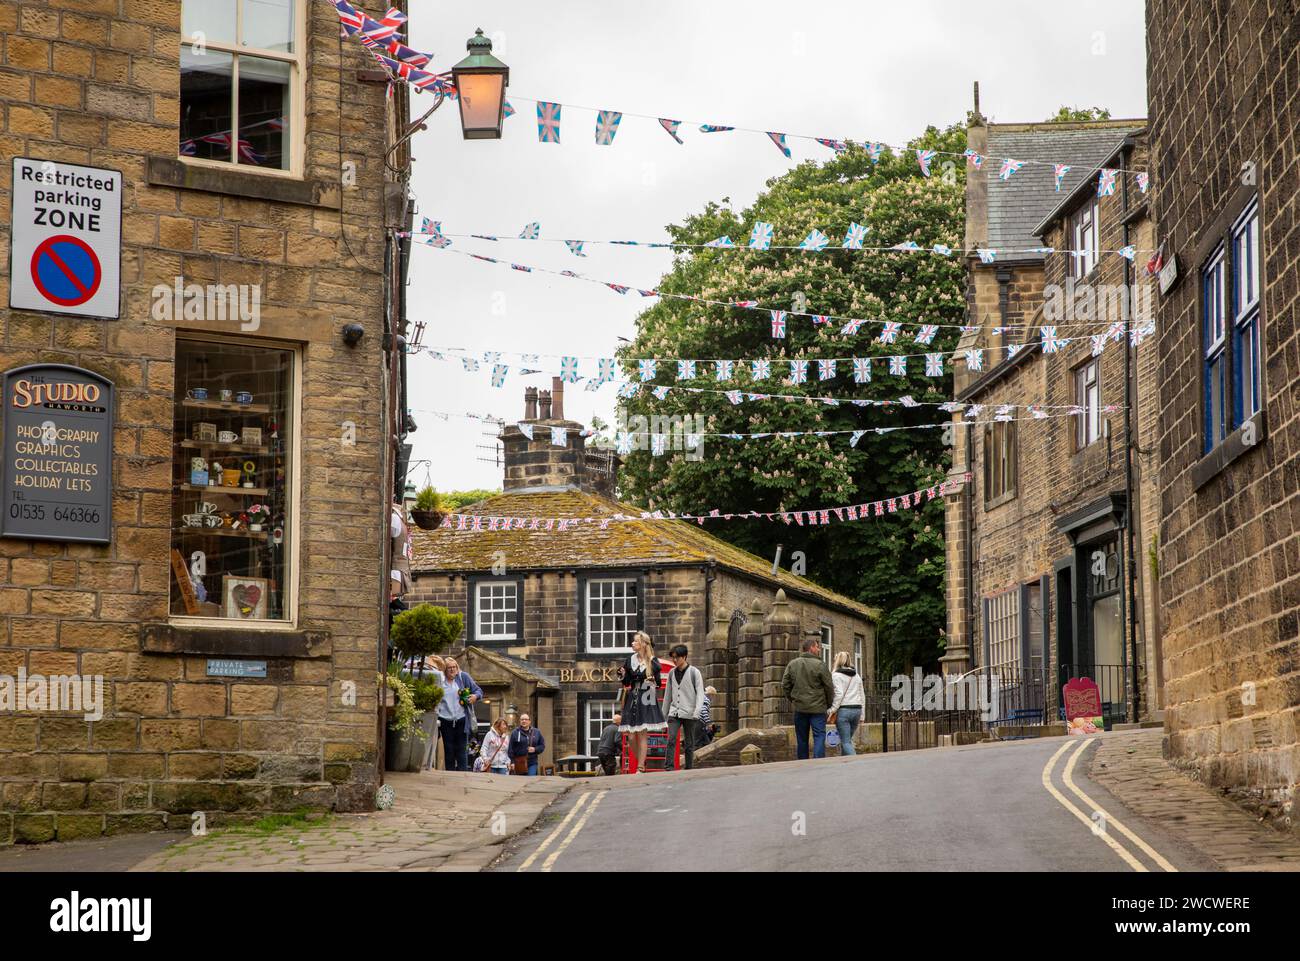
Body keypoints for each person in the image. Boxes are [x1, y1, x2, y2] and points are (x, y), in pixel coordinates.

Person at [617, 631, 667, 773]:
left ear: (643, 644)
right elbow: (627, 682)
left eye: (636, 641)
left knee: (642, 734)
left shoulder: (652, 661)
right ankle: (641, 759)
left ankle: (640, 767)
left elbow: (657, 683)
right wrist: (623, 675)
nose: (633, 643)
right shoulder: (630, 660)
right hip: (633, 696)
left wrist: (652, 681)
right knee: (631, 737)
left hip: (646, 696)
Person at [781, 636, 835, 759]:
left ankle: (803, 762)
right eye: (817, 647)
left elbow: (785, 685)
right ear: (811, 648)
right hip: (818, 709)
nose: (819, 649)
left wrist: (792, 699)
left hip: (800, 708)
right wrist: (828, 704)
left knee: (802, 738)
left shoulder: (792, 664)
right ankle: (818, 761)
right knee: (819, 736)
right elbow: (829, 687)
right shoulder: (820, 665)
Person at [436, 656, 483, 772]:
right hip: (445, 721)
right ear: (444, 670)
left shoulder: (463, 677)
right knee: (449, 750)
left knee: (462, 750)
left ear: (457, 668)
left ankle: (463, 776)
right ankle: (450, 775)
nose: (452, 670)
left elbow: (478, 691)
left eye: (454, 667)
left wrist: (474, 696)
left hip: (462, 720)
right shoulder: (440, 681)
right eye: (449, 668)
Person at [662, 645, 705, 770]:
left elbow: (700, 694)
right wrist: (663, 717)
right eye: (673, 658)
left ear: (684, 657)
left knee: (689, 743)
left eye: (677, 657)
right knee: (671, 739)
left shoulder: (694, 672)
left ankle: (689, 768)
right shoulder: (671, 673)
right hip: (674, 712)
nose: (674, 660)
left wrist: (697, 711)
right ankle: (669, 767)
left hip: (690, 713)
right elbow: (667, 695)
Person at [828, 651, 865, 756]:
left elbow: (839, 694)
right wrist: (862, 715)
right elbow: (862, 696)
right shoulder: (857, 676)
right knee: (847, 740)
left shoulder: (836, 675)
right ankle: (845, 765)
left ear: (837, 661)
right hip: (857, 710)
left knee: (845, 742)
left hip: (844, 711)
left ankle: (856, 763)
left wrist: (832, 710)